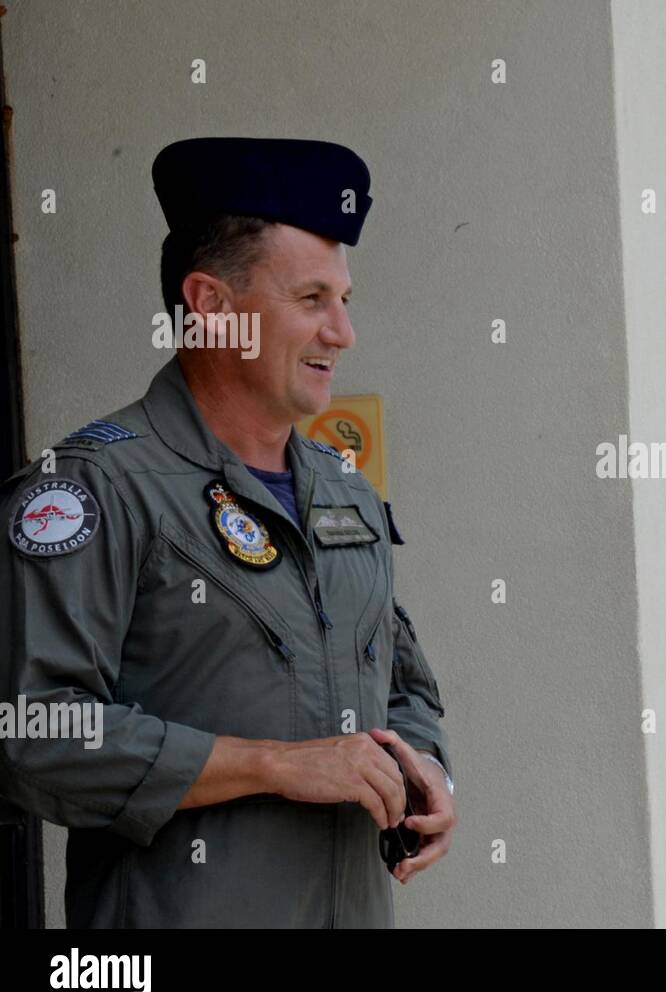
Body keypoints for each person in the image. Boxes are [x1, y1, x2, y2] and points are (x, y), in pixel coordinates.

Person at [0, 137, 454, 928]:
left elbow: (405, 686)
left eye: (345, 301)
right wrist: (273, 766)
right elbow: (34, 735)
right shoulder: (91, 489)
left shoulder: (344, 491)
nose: (342, 332)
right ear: (210, 304)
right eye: (311, 300)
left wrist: (428, 775)